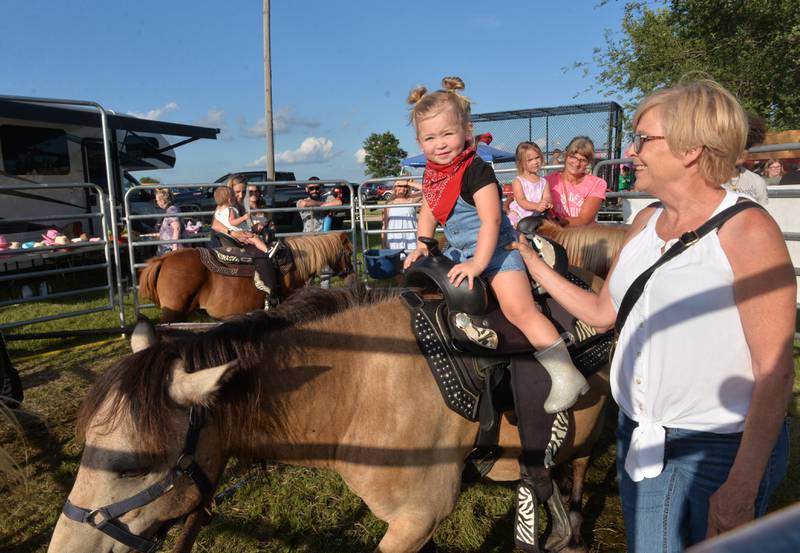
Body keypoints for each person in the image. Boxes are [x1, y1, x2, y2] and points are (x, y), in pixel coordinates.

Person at [512, 78, 794, 552]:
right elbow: (603, 313)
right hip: (637, 431)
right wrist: (534, 263)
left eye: (644, 138)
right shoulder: (644, 223)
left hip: (714, 448)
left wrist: (743, 483)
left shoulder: (748, 230)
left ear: (690, 149)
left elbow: (776, 370)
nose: (630, 151)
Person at [402, 76, 589, 552]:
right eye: (429, 138)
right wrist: (422, 246)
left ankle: (564, 372)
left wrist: (480, 264)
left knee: (517, 307)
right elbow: (428, 211)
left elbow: (490, 221)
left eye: (447, 135)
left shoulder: (477, 171)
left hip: (497, 250)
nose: (439, 145)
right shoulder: (433, 174)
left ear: (466, 131)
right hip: (463, 249)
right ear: (419, 142)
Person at [545, 136, 607, 225]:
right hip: (552, 234)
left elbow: (584, 220)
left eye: (582, 160)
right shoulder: (547, 181)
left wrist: (552, 223)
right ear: (566, 156)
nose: (577, 163)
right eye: (573, 157)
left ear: (588, 162)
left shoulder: (597, 183)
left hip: (581, 235)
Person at [722, 113, 769, 205]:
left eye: (746, 147)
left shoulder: (757, 182)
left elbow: (762, 212)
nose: (741, 152)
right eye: (736, 146)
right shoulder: (709, 180)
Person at [507, 142, 552, 227]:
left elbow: (547, 196)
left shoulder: (544, 181)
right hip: (519, 215)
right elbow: (521, 201)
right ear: (521, 163)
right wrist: (537, 206)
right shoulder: (518, 181)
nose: (535, 162)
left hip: (536, 217)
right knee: (514, 226)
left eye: (537, 158)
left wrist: (546, 203)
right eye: (530, 160)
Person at [381, 179, 419, 252]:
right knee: (397, 262)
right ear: (395, 187)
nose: (402, 188)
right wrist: (383, 243)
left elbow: (427, 189)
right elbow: (385, 225)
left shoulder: (412, 200)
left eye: (405, 186)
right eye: (400, 186)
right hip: (394, 239)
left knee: (412, 262)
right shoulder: (389, 203)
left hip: (410, 238)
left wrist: (408, 182)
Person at [154, 188, 184, 255]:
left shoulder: (171, 210)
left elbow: (177, 228)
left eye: (157, 200)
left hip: (170, 248)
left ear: (162, 201)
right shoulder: (170, 209)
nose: (157, 202)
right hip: (167, 247)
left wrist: (174, 248)